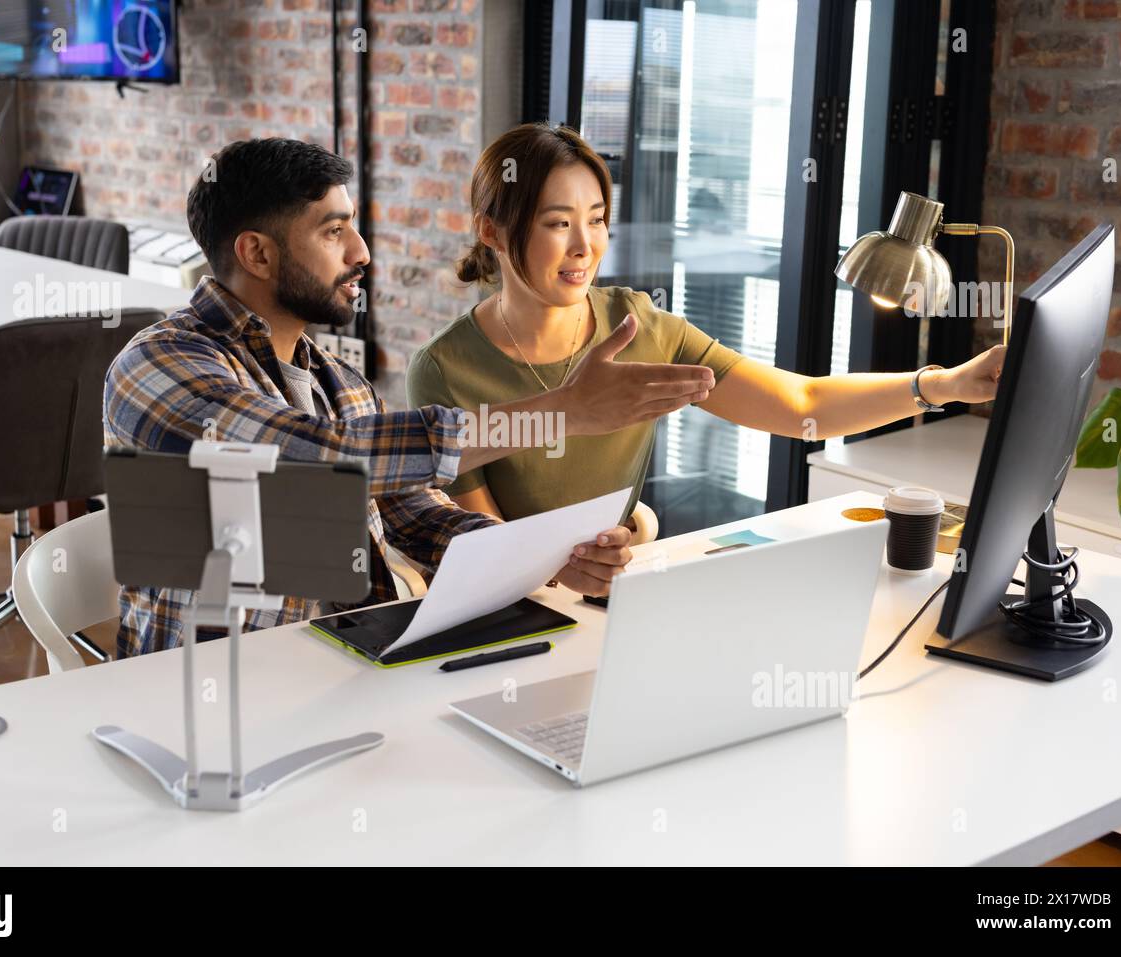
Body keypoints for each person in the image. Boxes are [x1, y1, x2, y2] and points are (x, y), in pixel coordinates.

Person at [104, 138, 714, 656]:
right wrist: (559, 414)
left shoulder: (336, 384)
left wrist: (552, 556)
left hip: (336, 673)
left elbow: (416, 515)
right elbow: (317, 460)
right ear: (257, 253)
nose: (361, 253)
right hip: (206, 700)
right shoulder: (159, 365)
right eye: (333, 232)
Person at [408, 123, 1005, 524]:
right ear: (491, 231)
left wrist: (942, 385)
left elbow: (802, 404)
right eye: (558, 223)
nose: (586, 247)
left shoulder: (639, 328)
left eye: (596, 220)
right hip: (519, 621)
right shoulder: (447, 370)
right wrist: (624, 536)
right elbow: (486, 549)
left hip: (620, 596)